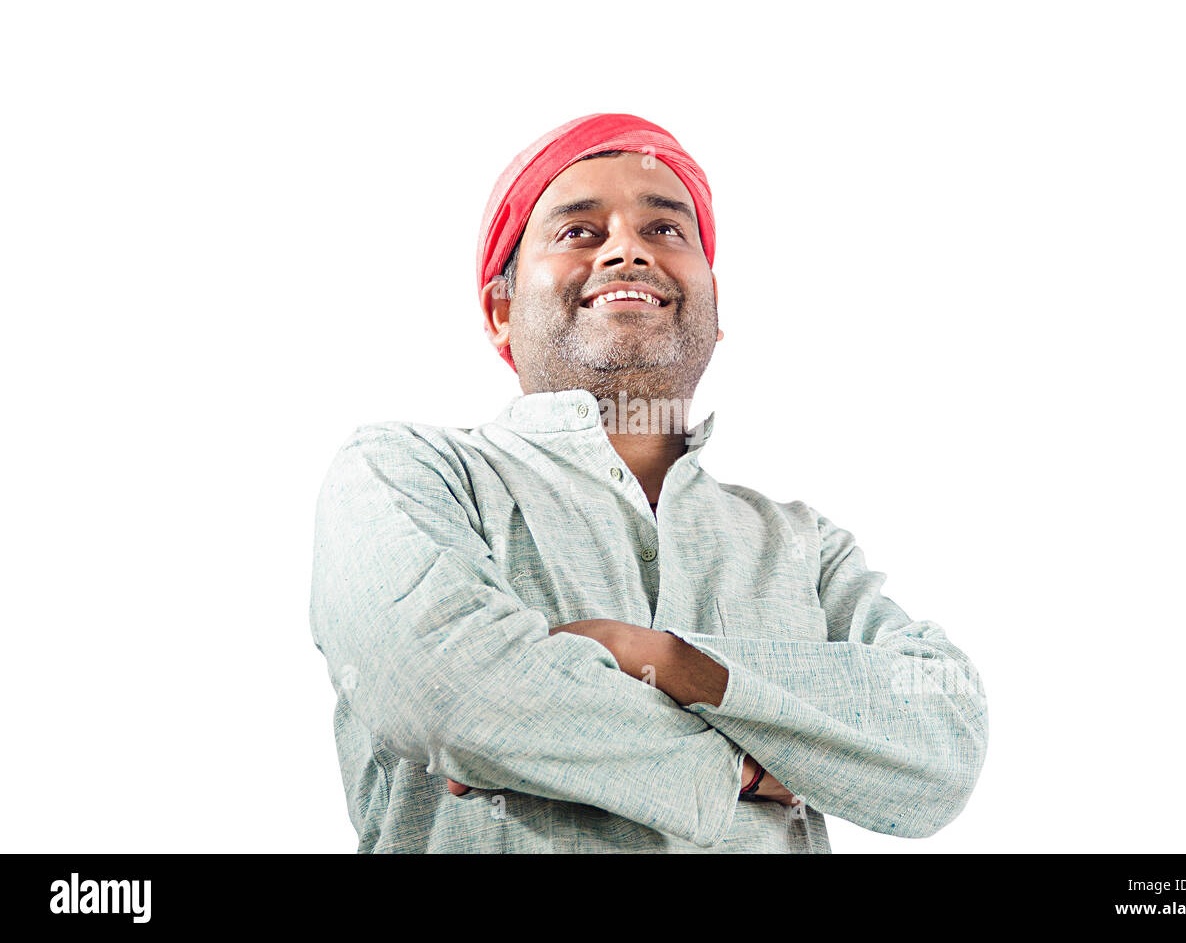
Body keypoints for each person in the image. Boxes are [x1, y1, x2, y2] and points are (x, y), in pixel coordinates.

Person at [308, 113, 988, 853]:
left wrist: (662, 659)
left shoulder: (802, 547)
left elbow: (944, 733)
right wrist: (766, 764)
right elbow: (445, 688)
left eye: (664, 231)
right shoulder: (405, 474)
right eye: (579, 232)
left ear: (714, 310)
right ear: (501, 311)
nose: (628, 249)